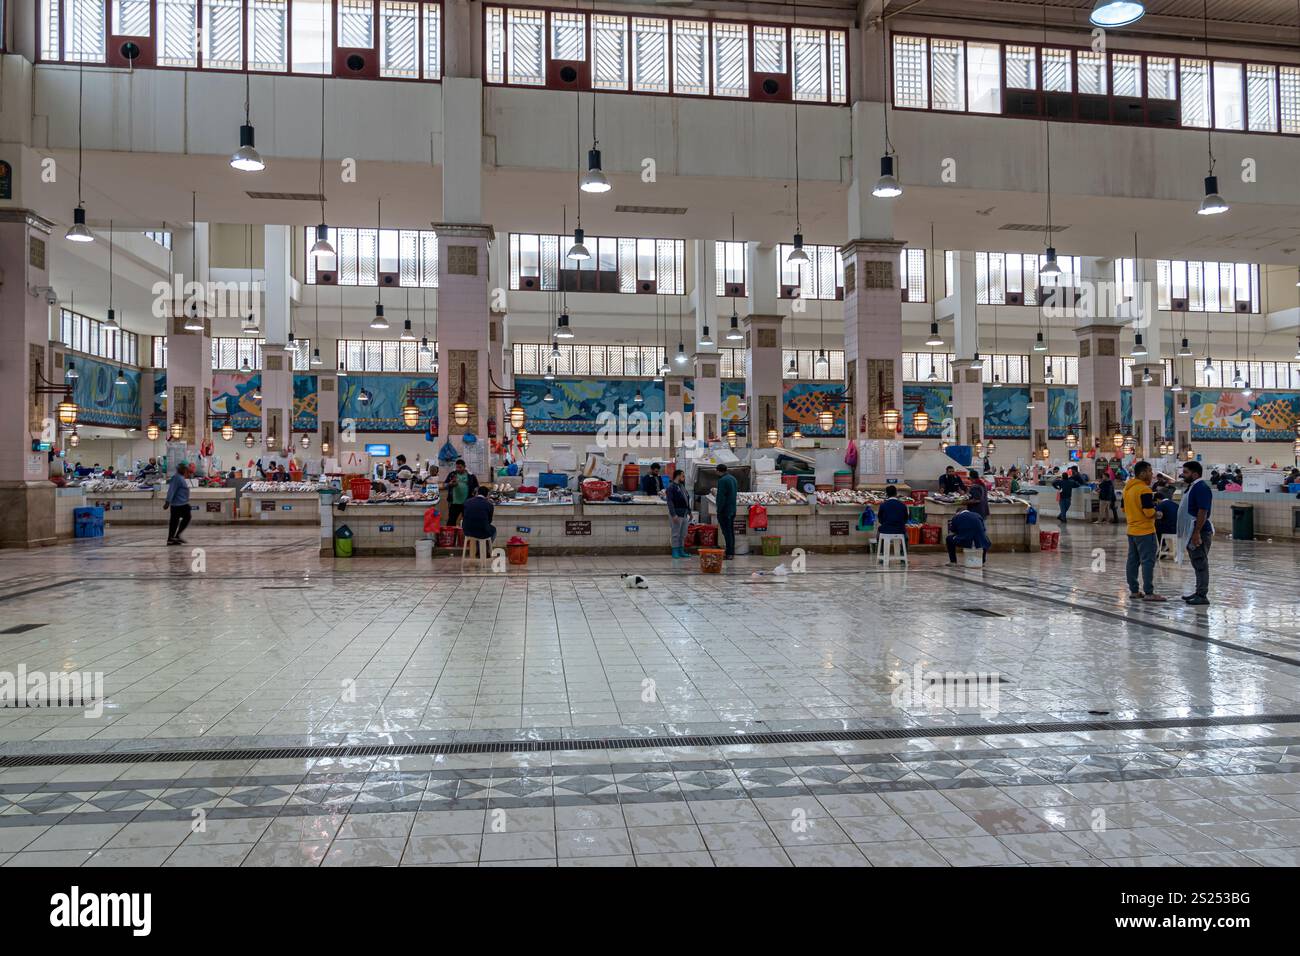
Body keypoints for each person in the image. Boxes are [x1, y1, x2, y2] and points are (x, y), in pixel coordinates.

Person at [1122, 460, 1164, 602]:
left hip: (1131, 530)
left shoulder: (1127, 488)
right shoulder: (1144, 489)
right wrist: (1157, 514)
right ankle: (1149, 592)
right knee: (1147, 561)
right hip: (1145, 531)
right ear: (1143, 473)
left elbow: (1123, 509)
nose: (1152, 474)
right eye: (1150, 471)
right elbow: (1148, 512)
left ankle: (1134, 591)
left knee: (1132, 561)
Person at [1178, 460, 1214, 605]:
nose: (1183, 474)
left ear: (1195, 474)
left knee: (1200, 563)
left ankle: (1202, 595)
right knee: (1197, 563)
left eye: (1186, 472)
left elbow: (1202, 511)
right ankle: (1199, 591)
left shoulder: (1201, 488)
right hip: (1192, 531)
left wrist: (1196, 532)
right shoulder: (1193, 487)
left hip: (1199, 532)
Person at [443, 459, 478, 527]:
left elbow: (476, 487)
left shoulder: (471, 476)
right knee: (451, 521)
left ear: (464, 467)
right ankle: (451, 536)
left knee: (467, 521)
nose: (458, 469)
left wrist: (474, 492)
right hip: (454, 503)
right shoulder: (452, 474)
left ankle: (465, 536)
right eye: (457, 467)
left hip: (467, 502)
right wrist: (450, 484)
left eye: (460, 467)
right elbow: (444, 485)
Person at [164, 462, 192, 546]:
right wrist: (167, 502)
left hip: (180, 503)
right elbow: (171, 490)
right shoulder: (177, 478)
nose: (185, 470)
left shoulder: (180, 477)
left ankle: (172, 538)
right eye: (184, 469)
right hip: (178, 504)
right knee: (185, 517)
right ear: (180, 469)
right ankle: (175, 536)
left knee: (174, 522)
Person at [714, 463, 738, 559]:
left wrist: (719, 510)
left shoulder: (722, 480)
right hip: (732, 509)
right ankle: (731, 552)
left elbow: (721, 497)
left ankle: (729, 554)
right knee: (731, 532)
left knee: (727, 532)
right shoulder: (733, 479)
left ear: (718, 470)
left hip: (725, 511)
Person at [666, 468, 691, 558]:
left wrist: (689, 512)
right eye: (683, 476)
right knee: (675, 533)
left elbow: (687, 499)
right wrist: (673, 514)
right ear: (678, 476)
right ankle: (675, 551)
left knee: (683, 533)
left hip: (684, 513)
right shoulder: (671, 487)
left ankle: (681, 550)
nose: (684, 477)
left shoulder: (681, 486)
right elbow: (670, 502)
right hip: (676, 513)